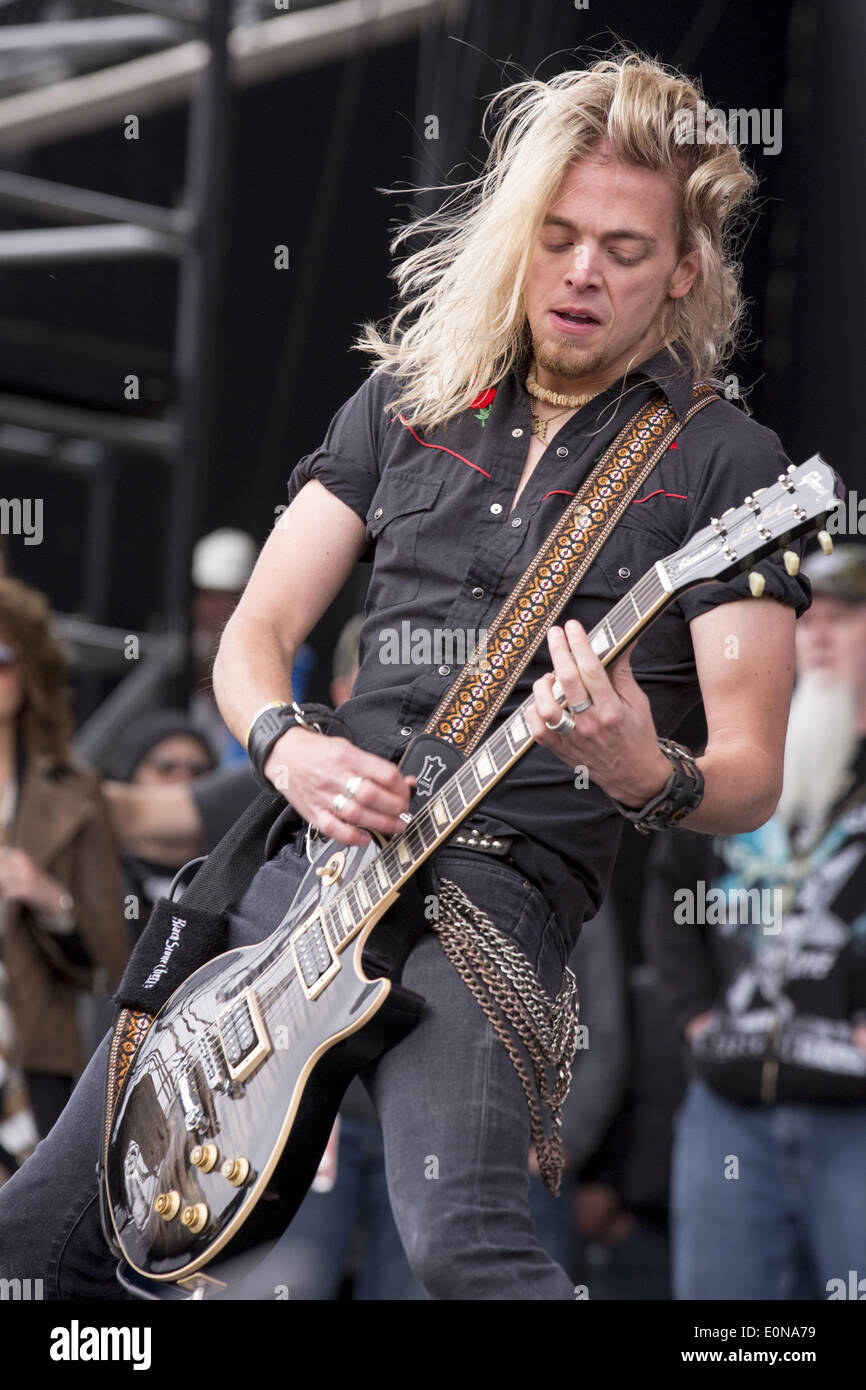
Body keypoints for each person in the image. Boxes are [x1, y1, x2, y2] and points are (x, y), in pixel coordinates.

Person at [0, 52, 811, 1300]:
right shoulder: (411, 401)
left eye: (623, 249)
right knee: (47, 1230)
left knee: (459, 1245)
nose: (582, 271)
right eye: (556, 237)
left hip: (490, 907)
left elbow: (748, 776)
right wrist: (285, 741)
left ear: (684, 272)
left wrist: (637, 763)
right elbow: (253, 632)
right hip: (309, 867)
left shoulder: (723, 461)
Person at [643, 543, 866, 1301]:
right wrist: (697, 1018)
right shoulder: (748, 757)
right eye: (812, 620)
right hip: (729, 1103)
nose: (823, 634)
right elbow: (669, 894)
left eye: (847, 618)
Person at [0, 577, 127, 1143]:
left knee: (24, 1226)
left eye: (1, 658)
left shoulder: (76, 794)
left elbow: (111, 959)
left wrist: (48, 896)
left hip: (34, 1058)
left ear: (29, 671)